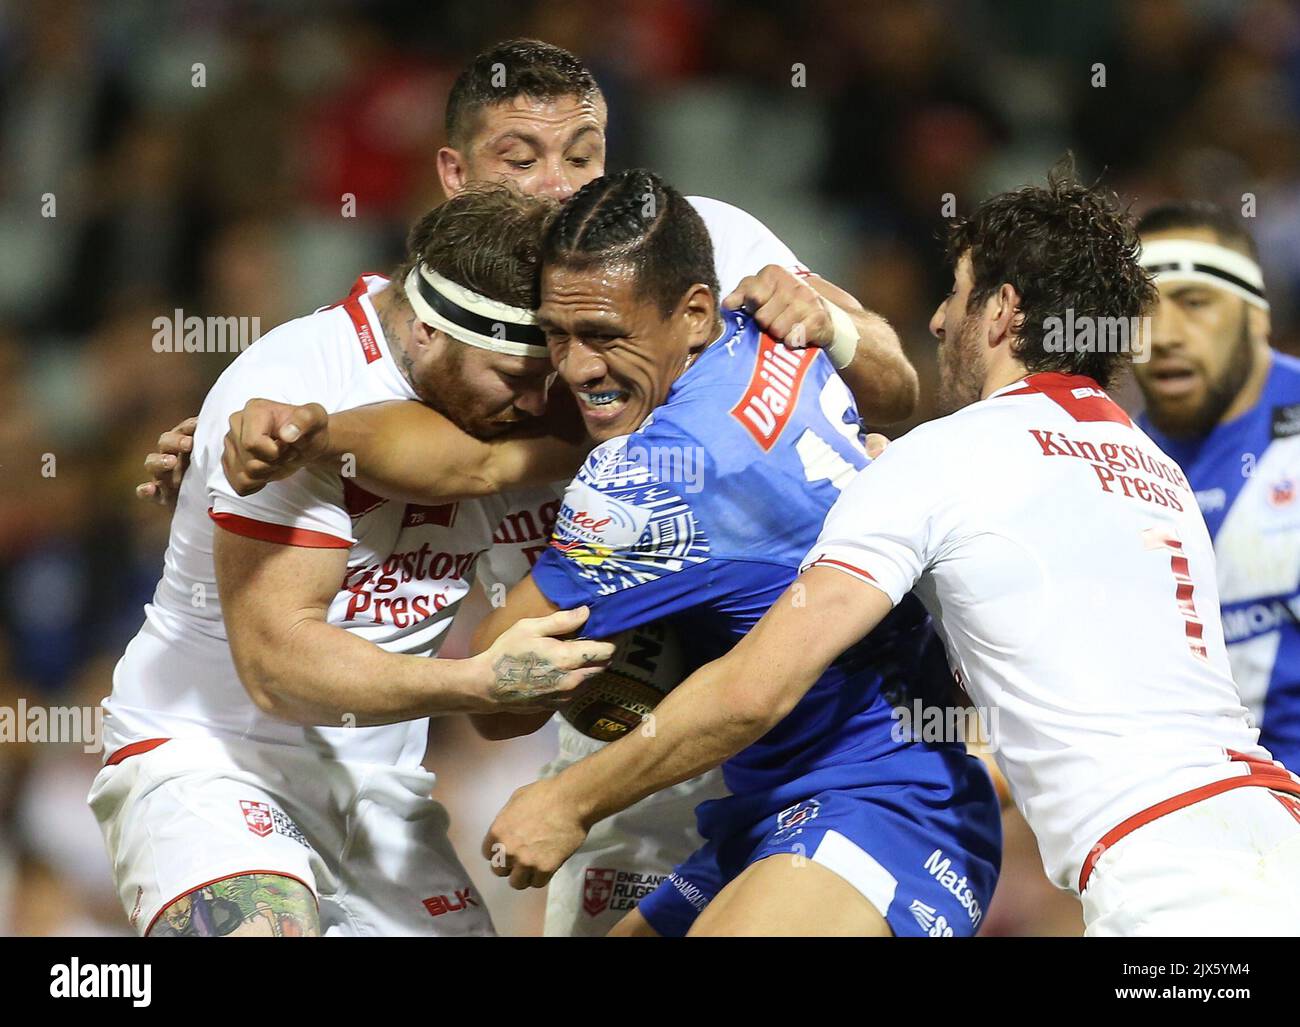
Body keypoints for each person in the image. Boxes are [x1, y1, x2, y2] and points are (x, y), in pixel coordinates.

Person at [134, 38, 919, 938]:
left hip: (787, 701)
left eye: (581, 155)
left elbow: (898, 389)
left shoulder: (695, 239)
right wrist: (279, 430)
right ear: (455, 174)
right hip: (613, 726)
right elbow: (467, 452)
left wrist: (835, 330)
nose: (556, 185)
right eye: (521, 158)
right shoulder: (462, 309)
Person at [485, 166, 1300, 937]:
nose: (941, 319)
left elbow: (757, 689)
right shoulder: (1153, 467)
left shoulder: (949, 457)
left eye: (956, 293)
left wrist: (568, 798)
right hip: (1265, 827)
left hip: (1178, 885)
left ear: (1003, 310)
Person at [468, 168, 1001, 937]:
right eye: (559, 334)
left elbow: (495, 700)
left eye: (606, 337)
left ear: (690, 312)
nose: (578, 368)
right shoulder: (771, 322)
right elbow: (897, 388)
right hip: (788, 801)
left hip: (883, 804)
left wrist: (568, 795)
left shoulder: (646, 477)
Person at [91, 184, 621, 937]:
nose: (537, 404)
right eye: (513, 377)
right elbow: (279, 668)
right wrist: (470, 683)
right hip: (214, 761)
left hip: (379, 790)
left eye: (548, 379)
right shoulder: (292, 395)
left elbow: (515, 712)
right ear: (430, 333)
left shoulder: (522, 418)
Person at [1134, 201, 1300, 771]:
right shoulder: (1106, 471)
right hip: (1205, 821)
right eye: (1140, 310)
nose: (1163, 336)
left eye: (1194, 303)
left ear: (1257, 315)